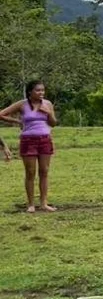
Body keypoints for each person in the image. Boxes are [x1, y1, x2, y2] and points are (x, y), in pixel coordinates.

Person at [0, 80, 58, 213]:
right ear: (30, 92)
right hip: (28, 140)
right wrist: (18, 121)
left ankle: (44, 203)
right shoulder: (22, 104)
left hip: (45, 139)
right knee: (30, 172)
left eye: (43, 90)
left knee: (44, 171)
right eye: (38, 90)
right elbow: (1, 114)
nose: (41, 93)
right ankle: (31, 204)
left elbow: (53, 123)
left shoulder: (48, 104)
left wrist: (49, 113)